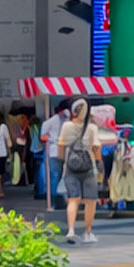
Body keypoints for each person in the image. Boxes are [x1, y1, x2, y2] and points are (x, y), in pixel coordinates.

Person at [57, 99, 102, 244]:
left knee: (73, 199)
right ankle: (87, 233)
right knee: (90, 201)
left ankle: (71, 230)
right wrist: (99, 163)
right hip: (89, 168)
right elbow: (96, 148)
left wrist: (62, 161)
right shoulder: (91, 128)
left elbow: (61, 146)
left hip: (70, 167)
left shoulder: (66, 126)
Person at [34, 100, 66, 200]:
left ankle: (55, 198)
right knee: (56, 176)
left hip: (56, 151)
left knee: (56, 176)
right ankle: (54, 198)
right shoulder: (54, 121)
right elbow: (43, 137)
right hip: (56, 150)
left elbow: (43, 136)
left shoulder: (52, 121)